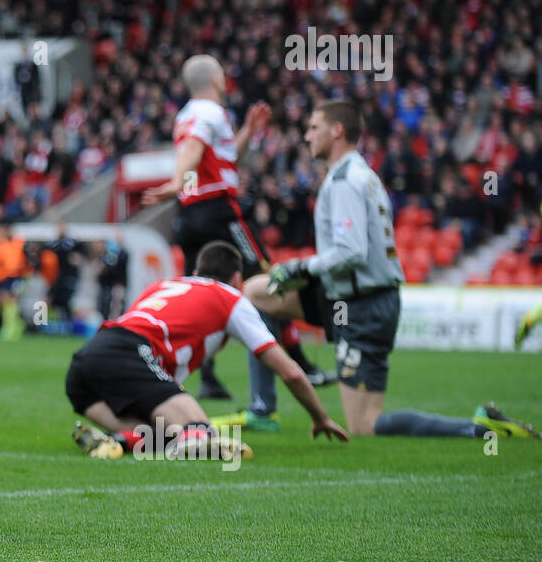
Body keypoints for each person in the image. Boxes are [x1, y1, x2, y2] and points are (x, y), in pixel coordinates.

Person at [245, 101, 537, 439]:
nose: (307, 135)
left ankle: (476, 427)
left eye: (313, 127)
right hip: (353, 295)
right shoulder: (364, 175)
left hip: (360, 304)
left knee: (364, 425)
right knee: (256, 292)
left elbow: (351, 251)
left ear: (337, 130)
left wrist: (300, 267)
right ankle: (265, 406)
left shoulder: (344, 180)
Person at [142, 54, 326, 415]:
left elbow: (218, 156)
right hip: (218, 212)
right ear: (215, 79)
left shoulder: (186, 114)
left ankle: (202, 373)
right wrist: (178, 180)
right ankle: (301, 363)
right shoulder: (211, 113)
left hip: (190, 216)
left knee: (201, 294)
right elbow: (194, 149)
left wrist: (248, 133)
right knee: (267, 280)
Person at [65, 241, 348, 460]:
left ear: (197, 272)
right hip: (131, 350)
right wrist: (320, 418)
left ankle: (117, 441)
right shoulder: (231, 298)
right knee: (201, 432)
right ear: (238, 279)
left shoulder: (166, 284)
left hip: (84, 368)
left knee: (163, 432)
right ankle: (187, 438)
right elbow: (289, 372)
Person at [0, 220, 31, 340]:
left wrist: (25, 272)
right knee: (5, 302)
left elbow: (26, 258)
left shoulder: (19, 242)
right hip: (1, 277)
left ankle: (10, 327)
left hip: (17, 276)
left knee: (8, 299)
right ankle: (16, 325)